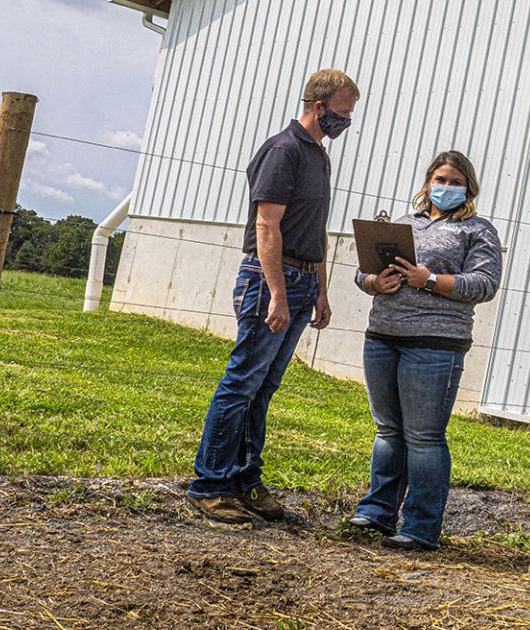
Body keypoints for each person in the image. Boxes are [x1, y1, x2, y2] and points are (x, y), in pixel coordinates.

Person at [187, 69, 360, 524]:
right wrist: (277, 296)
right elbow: (267, 226)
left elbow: (314, 229)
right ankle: (210, 484)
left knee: (263, 388)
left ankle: (245, 480)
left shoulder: (318, 157)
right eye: (343, 112)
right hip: (271, 279)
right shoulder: (283, 151)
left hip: (303, 279)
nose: (347, 122)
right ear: (319, 107)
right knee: (242, 381)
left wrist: (320, 289)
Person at [348, 151, 503, 550]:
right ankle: (377, 511)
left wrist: (429, 279)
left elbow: (484, 284)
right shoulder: (402, 224)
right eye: (440, 179)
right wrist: (373, 282)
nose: (445, 187)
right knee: (388, 431)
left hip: (436, 344)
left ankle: (420, 526)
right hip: (383, 335)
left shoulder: (477, 230)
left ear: (468, 186)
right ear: (427, 181)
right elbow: (362, 271)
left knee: (424, 437)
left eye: (454, 181)